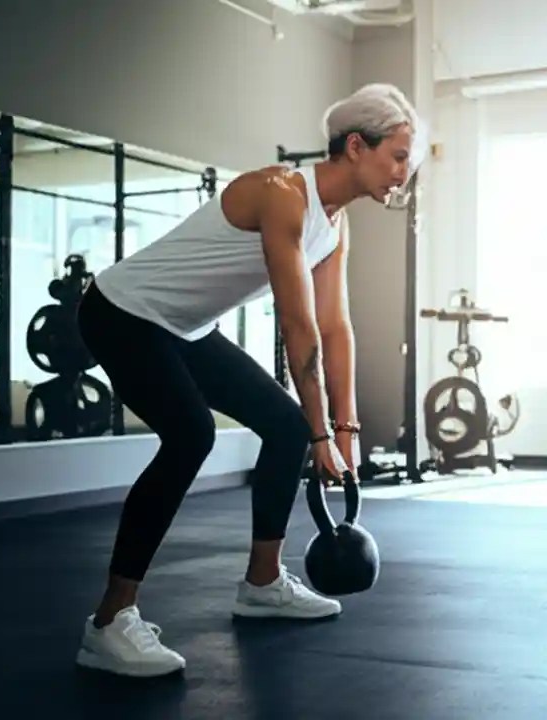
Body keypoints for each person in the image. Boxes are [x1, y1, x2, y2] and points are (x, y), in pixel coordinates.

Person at [72, 83, 424, 678]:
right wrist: (321, 434)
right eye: (397, 159)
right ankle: (109, 622)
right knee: (191, 436)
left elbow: (338, 328)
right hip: (122, 311)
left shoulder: (334, 224)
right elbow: (298, 324)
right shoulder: (281, 192)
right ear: (357, 147)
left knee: (284, 427)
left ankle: (262, 584)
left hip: (184, 326)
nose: (402, 176)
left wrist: (345, 426)